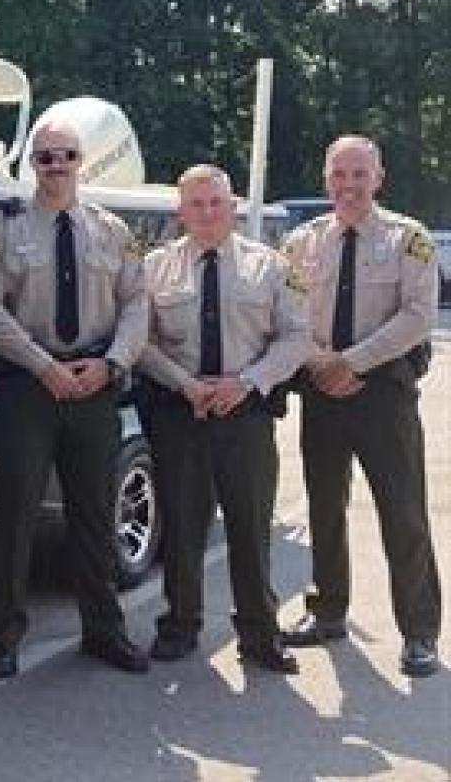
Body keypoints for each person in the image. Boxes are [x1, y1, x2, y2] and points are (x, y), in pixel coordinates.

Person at [0, 120, 151, 678]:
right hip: (27, 387)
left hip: (94, 384)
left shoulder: (113, 232)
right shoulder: (6, 230)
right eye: (45, 157)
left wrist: (113, 364)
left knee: (94, 516)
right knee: (14, 516)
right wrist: (43, 366)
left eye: (65, 155)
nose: (56, 166)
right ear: (32, 163)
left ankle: (104, 630)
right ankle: (1, 638)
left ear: (81, 161)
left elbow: (138, 303)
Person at [138, 165, 311, 673]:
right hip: (180, 411)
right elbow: (139, 340)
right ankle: (180, 624)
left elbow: (297, 336)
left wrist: (249, 382)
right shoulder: (154, 269)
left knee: (251, 526)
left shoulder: (271, 267)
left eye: (216, 203)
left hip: (247, 414)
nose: (207, 213)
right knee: (183, 525)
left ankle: (260, 634)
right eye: (196, 204)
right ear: (180, 211)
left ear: (232, 207)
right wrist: (184, 384)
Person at [280, 135, 442, 677]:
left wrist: (352, 361)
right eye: (338, 174)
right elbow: (288, 316)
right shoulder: (302, 242)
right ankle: (327, 612)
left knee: (404, 515)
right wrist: (321, 362)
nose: (347, 185)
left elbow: (419, 315)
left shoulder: (407, 239)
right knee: (324, 509)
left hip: (383, 397)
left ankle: (419, 632)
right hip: (322, 393)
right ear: (327, 179)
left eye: (358, 174)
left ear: (379, 178)